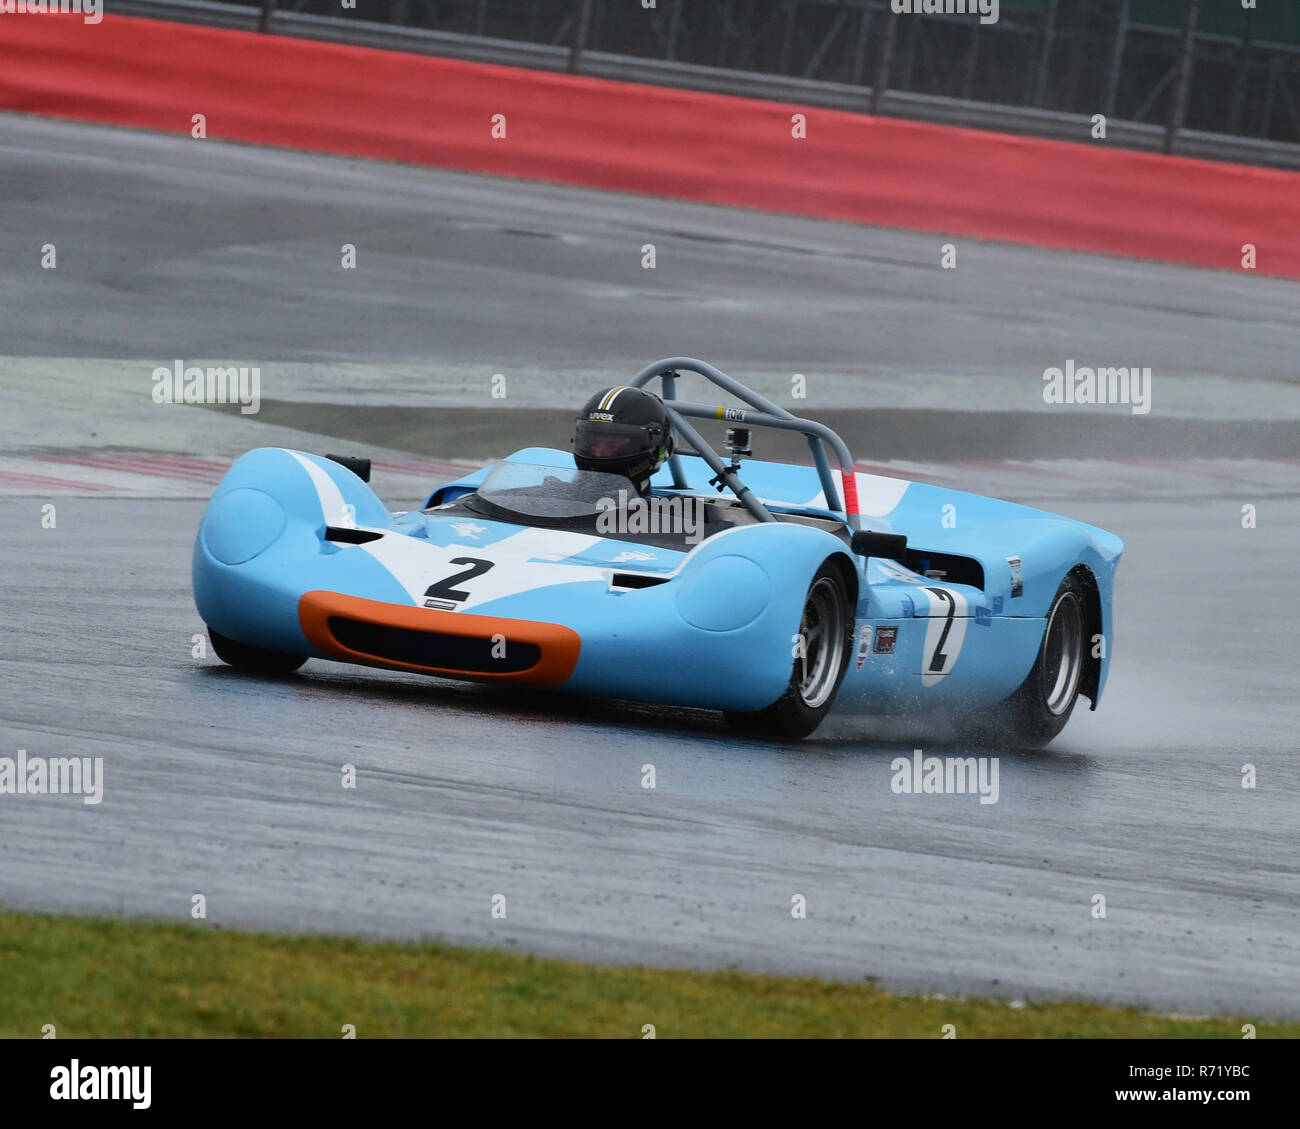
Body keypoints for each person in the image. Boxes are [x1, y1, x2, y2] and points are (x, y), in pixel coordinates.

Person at [572, 386, 675, 495]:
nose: (598, 453)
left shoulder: (671, 509)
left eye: (612, 445)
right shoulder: (560, 493)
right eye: (593, 444)